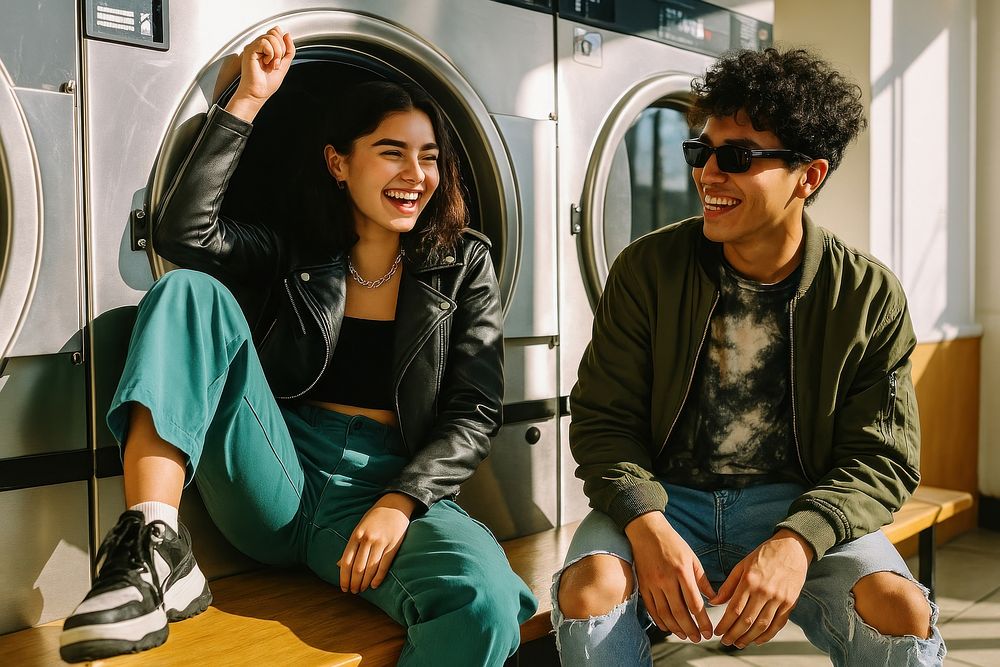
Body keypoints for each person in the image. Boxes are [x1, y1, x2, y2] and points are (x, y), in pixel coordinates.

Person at [59, 27, 536, 665]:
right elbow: (183, 233)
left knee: (486, 603)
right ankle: (153, 548)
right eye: (392, 152)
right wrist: (248, 100)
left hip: (388, 482)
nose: (416, 175)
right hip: (277, 464)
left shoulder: (463, 262)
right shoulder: (298, 248)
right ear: (339, 163)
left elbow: (474, 411)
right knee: (188, 294)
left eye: (430, 157)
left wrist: (402, 501)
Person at [551, 47, 945, 666]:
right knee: (588, 591)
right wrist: (646, 522)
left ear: (807, 177)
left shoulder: (866, 294)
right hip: (665, 495)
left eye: (736, 158)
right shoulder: (647, 271)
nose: (707, 173)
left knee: (901, 609)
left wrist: (798, 540)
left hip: (795, 499)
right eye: (699, 152)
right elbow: (604, 421)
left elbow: (882, 457)